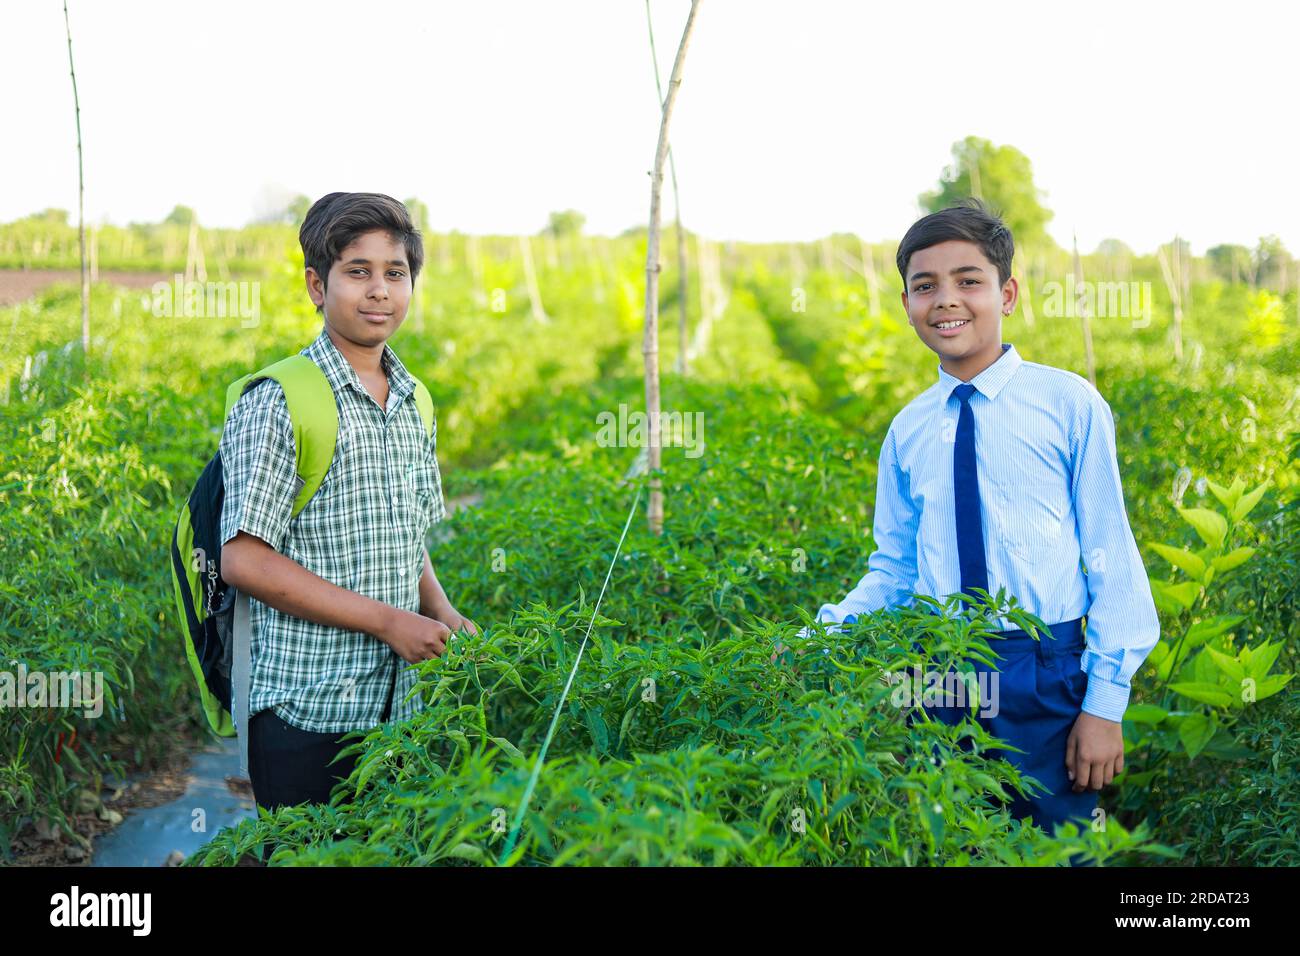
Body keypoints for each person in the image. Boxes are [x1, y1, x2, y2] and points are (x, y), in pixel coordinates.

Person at [784, 198, 1159, 846]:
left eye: (968, 281)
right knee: (958, 842)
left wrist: (1104, 703)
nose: (946, 300)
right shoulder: (907, 432)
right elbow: (897, 569)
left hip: (1045, 668)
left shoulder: (1068, 403)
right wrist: (821, 635)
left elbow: (1110, 552)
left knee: (1055, 849)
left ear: (1007, 294)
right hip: (941, 670)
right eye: (925, 286)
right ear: (905, 303)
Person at [219, 193, 477, 859]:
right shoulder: (280, 401)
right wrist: (388, 622)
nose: (379, 291)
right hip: (307, 711)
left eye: (395, 273)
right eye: (357, 271)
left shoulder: (416, 398)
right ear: (316, 284)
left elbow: (406, 531)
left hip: (399, 711)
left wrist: (440, 609)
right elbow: (245, 560)